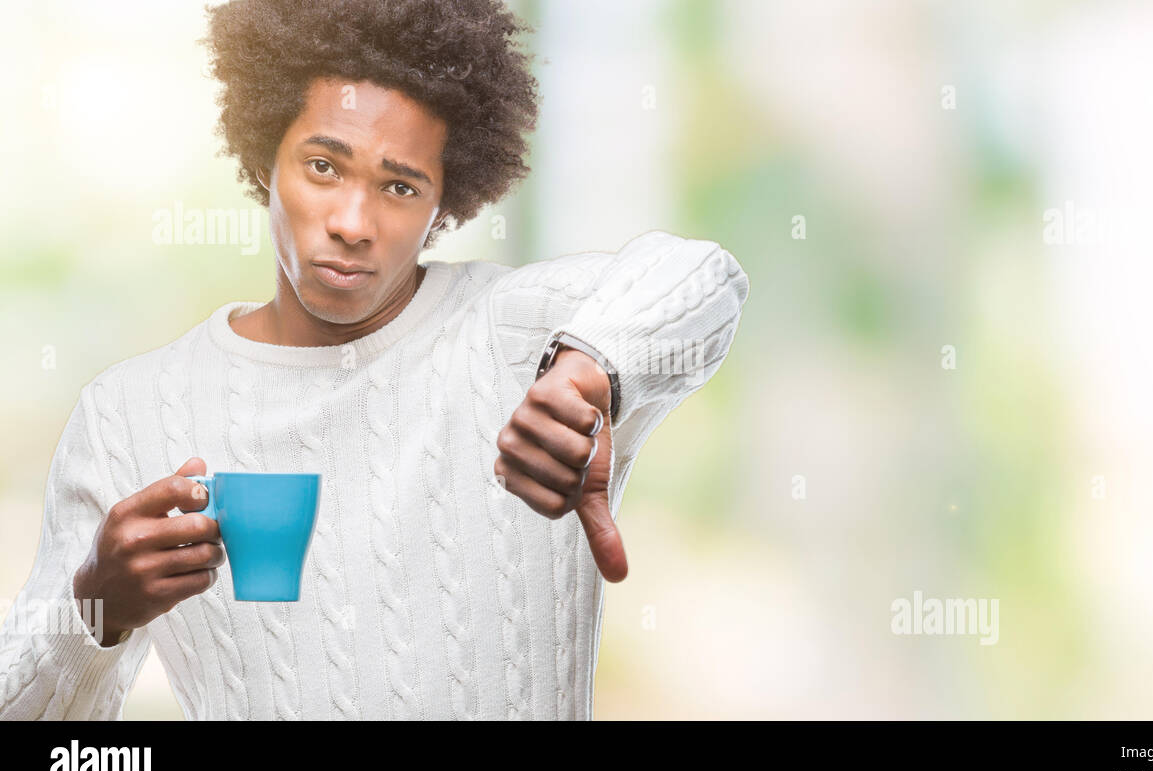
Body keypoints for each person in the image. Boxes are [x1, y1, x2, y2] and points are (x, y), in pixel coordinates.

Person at [0, 0, 747, 720]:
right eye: (323, 167)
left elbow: (702, 277)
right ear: (266, 158)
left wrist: (592, 367)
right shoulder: (129, 414)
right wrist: (95, 607)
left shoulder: (517, 334)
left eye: (399, 185)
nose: (353, 223)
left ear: (445, 201)